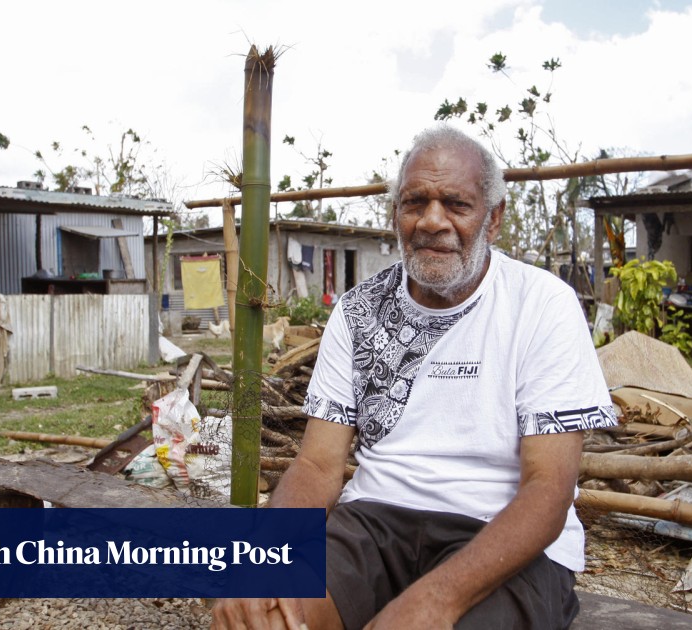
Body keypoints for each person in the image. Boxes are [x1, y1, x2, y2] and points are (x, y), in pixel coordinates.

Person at [211, 126, 616, 630]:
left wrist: (436, 601)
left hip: (502, 538)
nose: (431, 221)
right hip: (375, 522)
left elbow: (549, 488)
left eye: (456, 204)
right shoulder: (359, 311)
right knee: (263, 617)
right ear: (395, 215)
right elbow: (317, 466)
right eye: (414, 202)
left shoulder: (542, 305)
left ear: (493, 219)